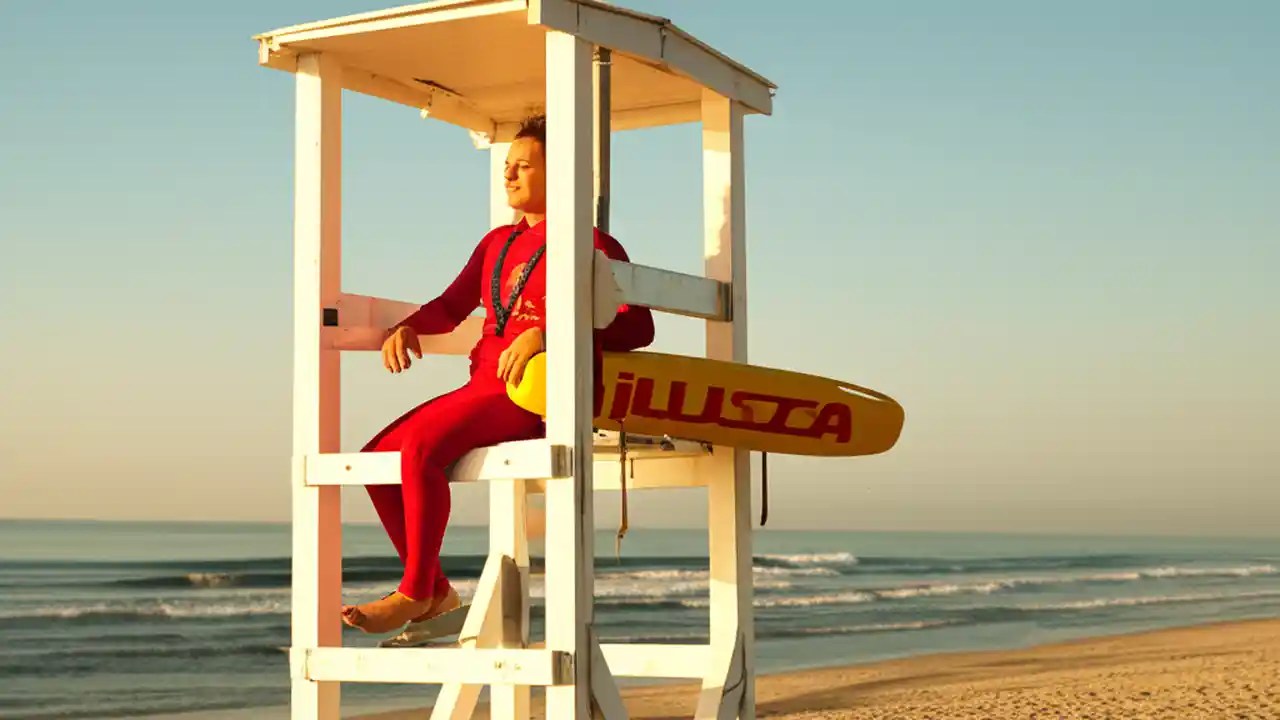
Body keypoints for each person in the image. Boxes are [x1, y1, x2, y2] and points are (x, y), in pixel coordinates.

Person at [341, 114, 655, 634]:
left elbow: (637, 327)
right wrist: (409, 326)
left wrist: (549, 333)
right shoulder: (496, 244)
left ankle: (413, 591)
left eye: (522, 166)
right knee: (378, 459)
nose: (508, 175)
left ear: (560, 173)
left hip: (535, 394)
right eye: (506, 166)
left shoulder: (593, 244)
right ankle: (436, 590)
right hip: (483, 384)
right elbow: (450, 305)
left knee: (418, 450)